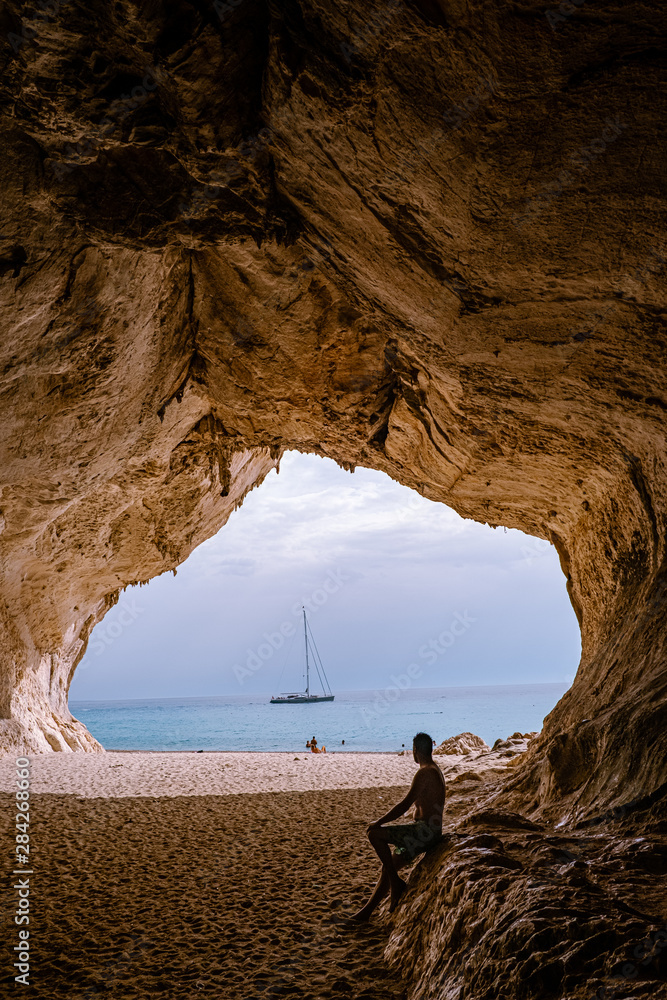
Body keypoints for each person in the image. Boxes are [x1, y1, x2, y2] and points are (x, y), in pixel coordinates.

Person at [350, 732, 446, 922]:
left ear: (416, 750)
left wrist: (379, 822)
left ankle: (396, 884)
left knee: (375, 835)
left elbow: (404, 805)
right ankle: (366, 913)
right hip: (427, 831)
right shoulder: (435, 769)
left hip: (424, 832)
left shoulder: (425, 772)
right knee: (388, 867)